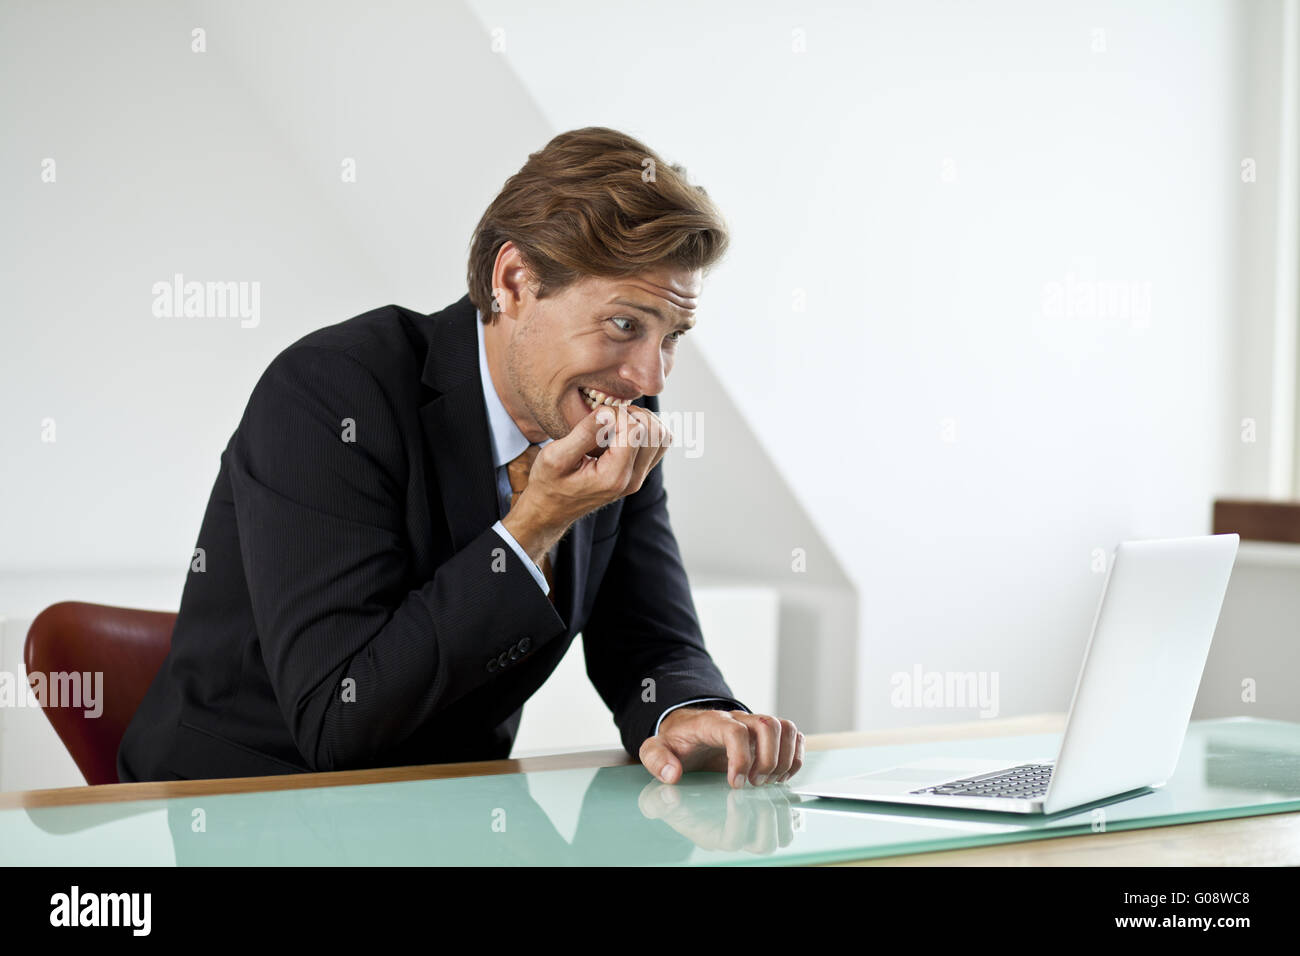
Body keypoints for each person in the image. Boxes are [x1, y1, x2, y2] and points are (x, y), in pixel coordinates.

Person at [118, 126, 805, 790]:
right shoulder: (329, 394)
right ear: (513, 282)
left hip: (460, 812)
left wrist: (687, 712)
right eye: (625, 325)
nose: (651, 378)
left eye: (672, 334)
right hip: (248, 808)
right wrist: (533, 526)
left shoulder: (616, 413)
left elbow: (650, 638)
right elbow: (339, 723)